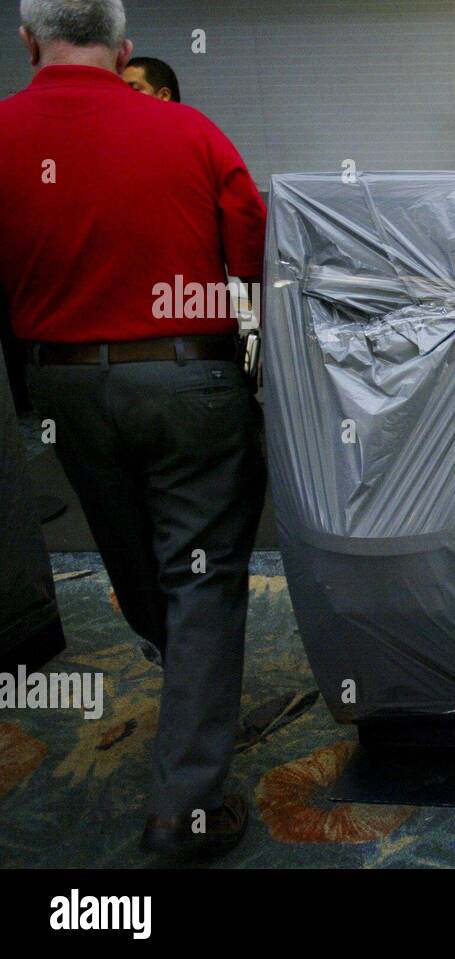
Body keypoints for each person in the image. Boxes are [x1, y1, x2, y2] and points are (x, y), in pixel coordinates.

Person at [0, 0, 266, 858]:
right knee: (203, 573)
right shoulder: (188, 131)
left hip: (64, 388)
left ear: (28, 39)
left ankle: (186, 683)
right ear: (124, 48)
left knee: (131, 553)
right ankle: (184, 804)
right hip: (188, 376)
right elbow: (255, 248)